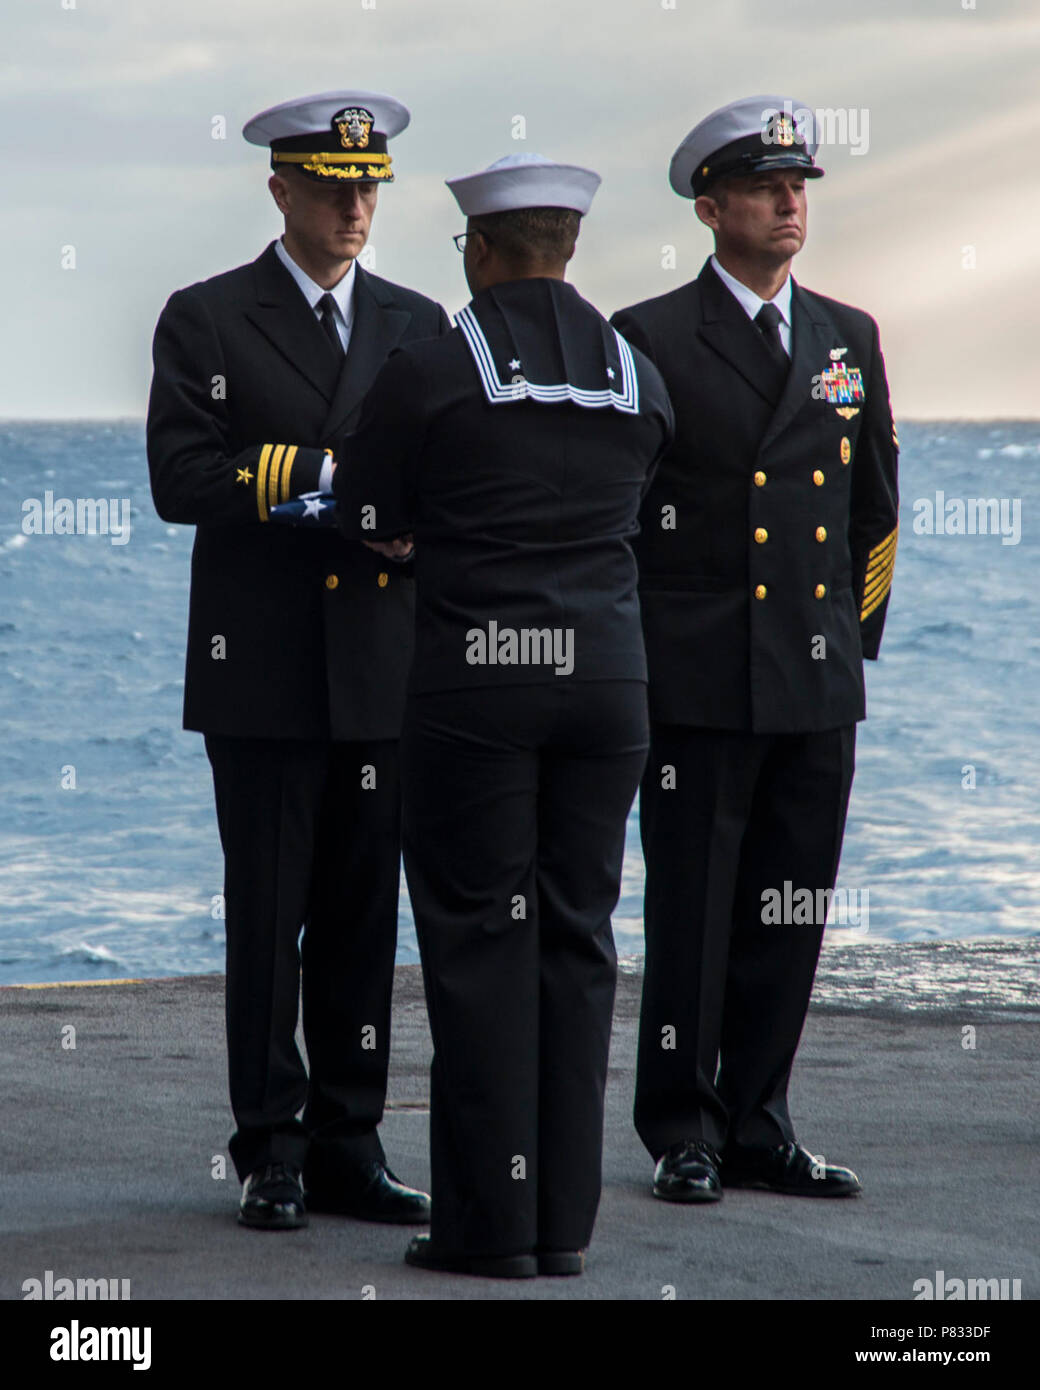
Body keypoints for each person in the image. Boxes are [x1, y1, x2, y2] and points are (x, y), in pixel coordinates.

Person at [334, 153, 675, 1276]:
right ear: (566, 249)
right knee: (578, 938)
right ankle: (560, 1227)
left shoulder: (433, 367)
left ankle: (487, 1227)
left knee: (480, 940)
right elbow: (649, 505)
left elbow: (371, 505)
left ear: (479, 251)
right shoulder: (639, 370)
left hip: (481, 677)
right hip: (610, 683)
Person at [146, 89, 449, 1230]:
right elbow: (181, 478)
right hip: (265, 668)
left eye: (367, 187)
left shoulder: (422, 323)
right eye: (331, 187)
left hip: (381, 667)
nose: (354, 206)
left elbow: (454, 471)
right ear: (280, 190)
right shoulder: (210, 318)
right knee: (269, 920)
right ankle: (269, 1149)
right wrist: (331, 485)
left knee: (367, 923)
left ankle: (348, 1143)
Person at [610, 95, 899, 1204]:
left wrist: (846, 642)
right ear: (709, 205)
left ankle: (761, 1119)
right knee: (692, 910)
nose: (790, 202)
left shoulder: (846, 336)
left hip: (812, 673)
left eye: (800, 187)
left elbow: (872, 510)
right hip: (693, 674)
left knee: (792, 907)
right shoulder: (648, 338)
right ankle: (683, 1124)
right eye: (768, 186)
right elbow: (623, 518)